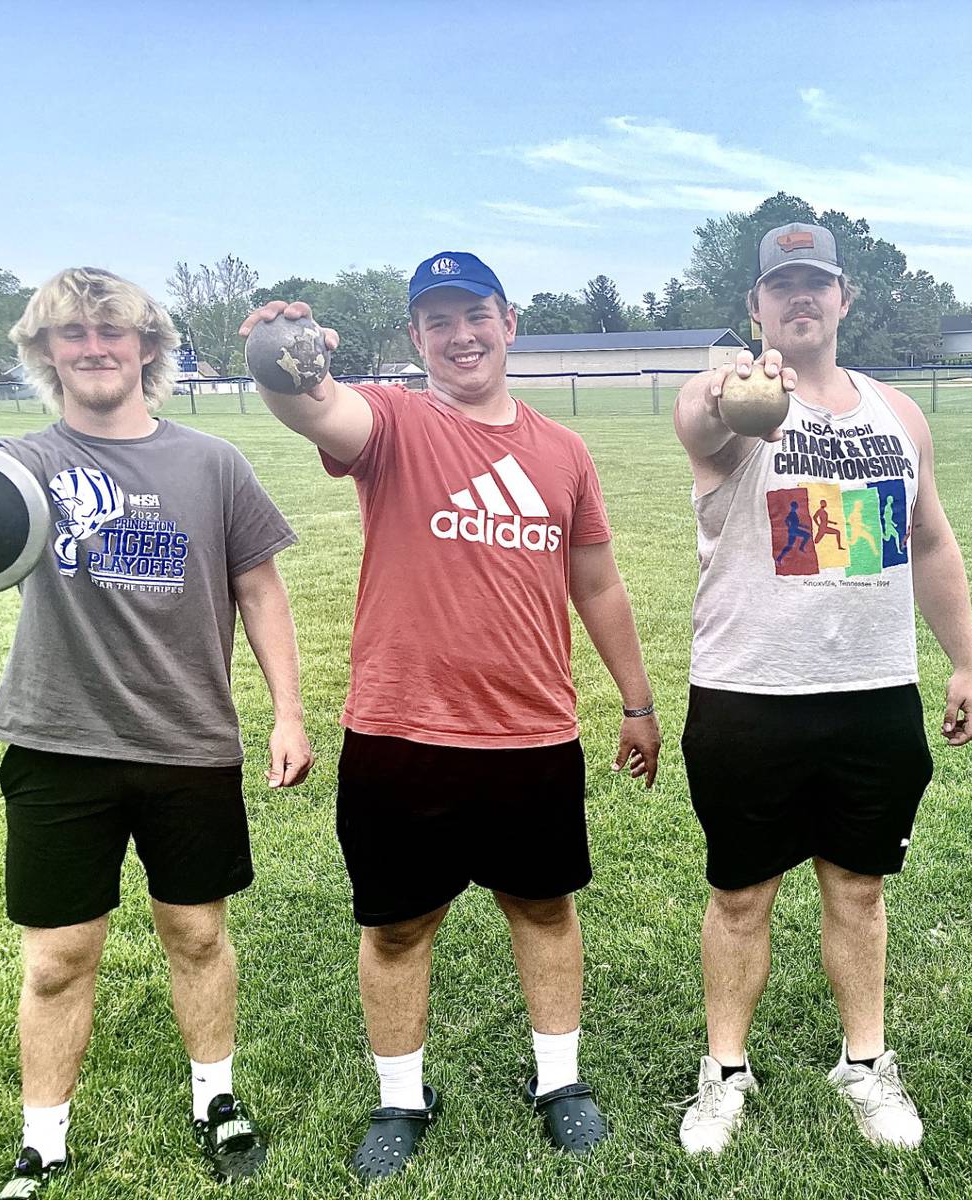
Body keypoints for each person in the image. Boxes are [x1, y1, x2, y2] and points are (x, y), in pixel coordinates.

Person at [240, 251, 661, 1177]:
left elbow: (596, 582)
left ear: (508, 323)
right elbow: (314, 407)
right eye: (438, 322)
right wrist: (287, 357)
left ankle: (560, 1083)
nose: (460, 336)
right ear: (416, 337)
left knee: (544, 908)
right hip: (401, 732)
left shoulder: (564, 452)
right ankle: (401, 1096)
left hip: (532, 731)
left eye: (475, 315)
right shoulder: (393, 422)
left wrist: (637, 701)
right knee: (396, 926)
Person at [0, 267, 311, 1197]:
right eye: (71, 334)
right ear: (44, 352)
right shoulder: (18, 466)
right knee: (56, 960)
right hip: (57, 744)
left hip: (189, 742)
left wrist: (288, 712)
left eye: (111, 331)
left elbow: (259, 589)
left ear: (147, 347)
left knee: (196, 934)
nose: (93, 348)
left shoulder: (213, 464)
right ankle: (42, 1143)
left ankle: (217, 1098)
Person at [670, 222, 972, 1153]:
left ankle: (865, 1061)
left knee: (860, 888)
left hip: (873, 693)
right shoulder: (732, 395)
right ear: (757, 306)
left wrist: (964, 660)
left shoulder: (899, 414)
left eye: (816, 283)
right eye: (782, 286)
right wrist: (734, 396)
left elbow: (929, 539)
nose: (800, 298)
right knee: (741, 894)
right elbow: (702, 422)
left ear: (845, 298)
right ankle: (725, 1070)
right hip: (747, 693)